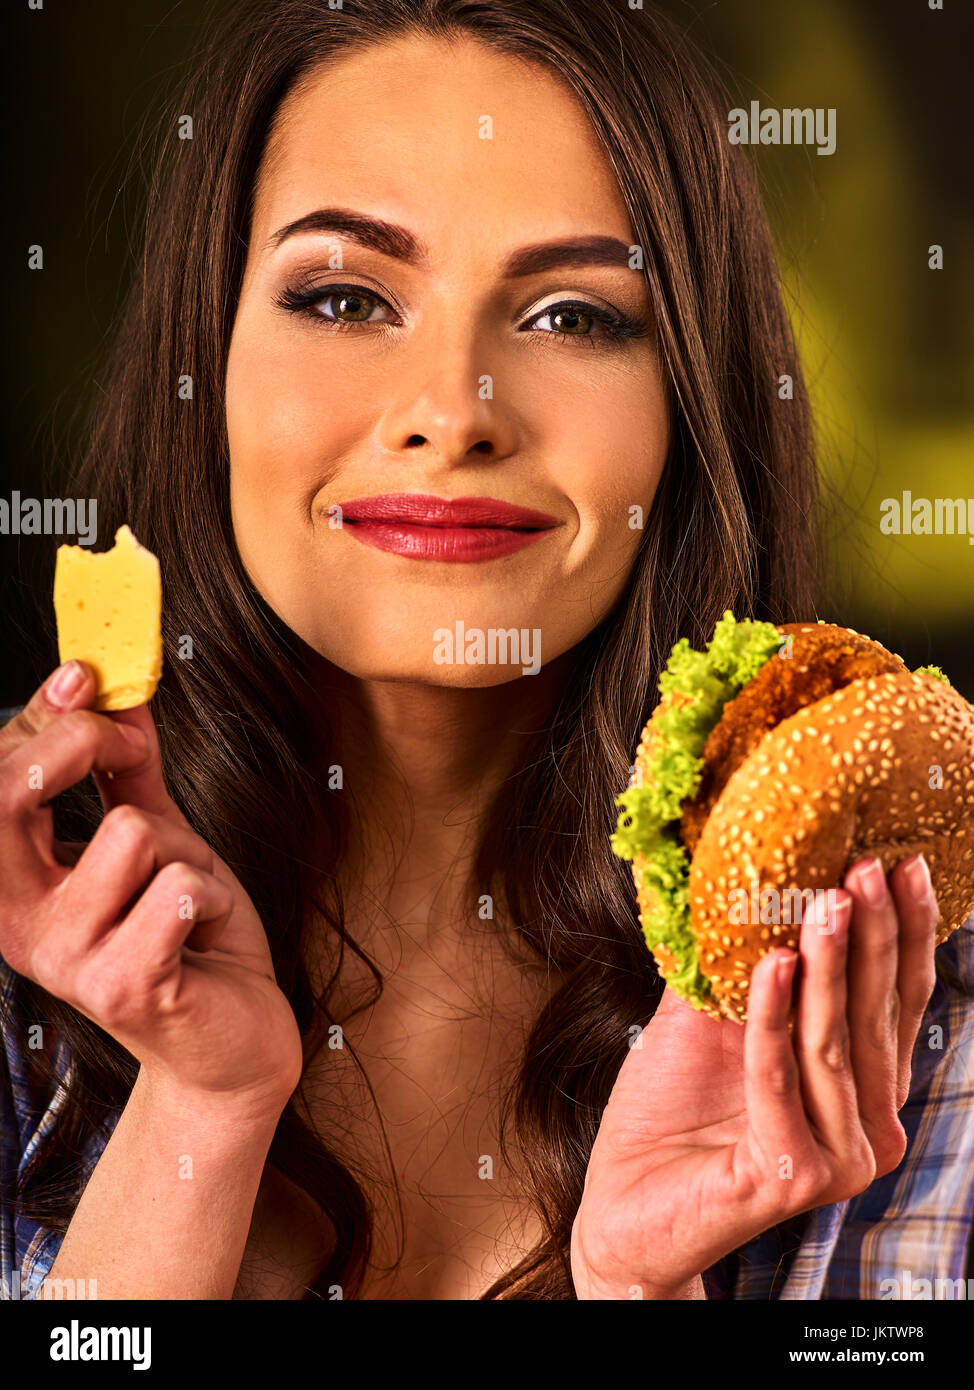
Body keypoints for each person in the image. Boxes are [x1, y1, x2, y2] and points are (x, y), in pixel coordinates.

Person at [1, 0, 971, 1302]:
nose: (451, 412)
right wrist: (200, 1109)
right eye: (344, 296)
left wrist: (638, 1289)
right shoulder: (23, 982)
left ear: (690, 401)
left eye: (572, 315)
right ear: (208, 365)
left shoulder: (912, 1010)